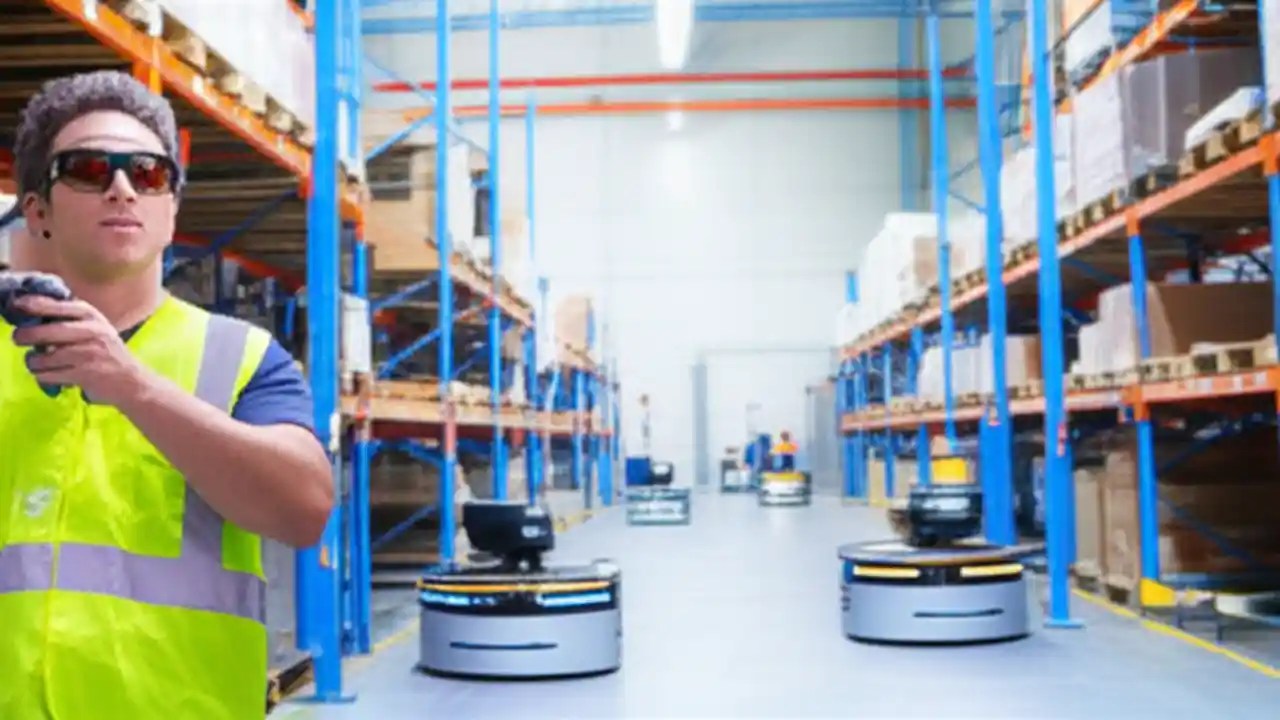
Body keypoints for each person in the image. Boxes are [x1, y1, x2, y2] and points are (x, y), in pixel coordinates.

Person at [0, 70, 334, 720]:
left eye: (148, 174)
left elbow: (304, 511)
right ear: (37, 210)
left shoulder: (241, 359)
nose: (122, 187)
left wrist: (130, 385)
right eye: (90, 168)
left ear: (171, 208)